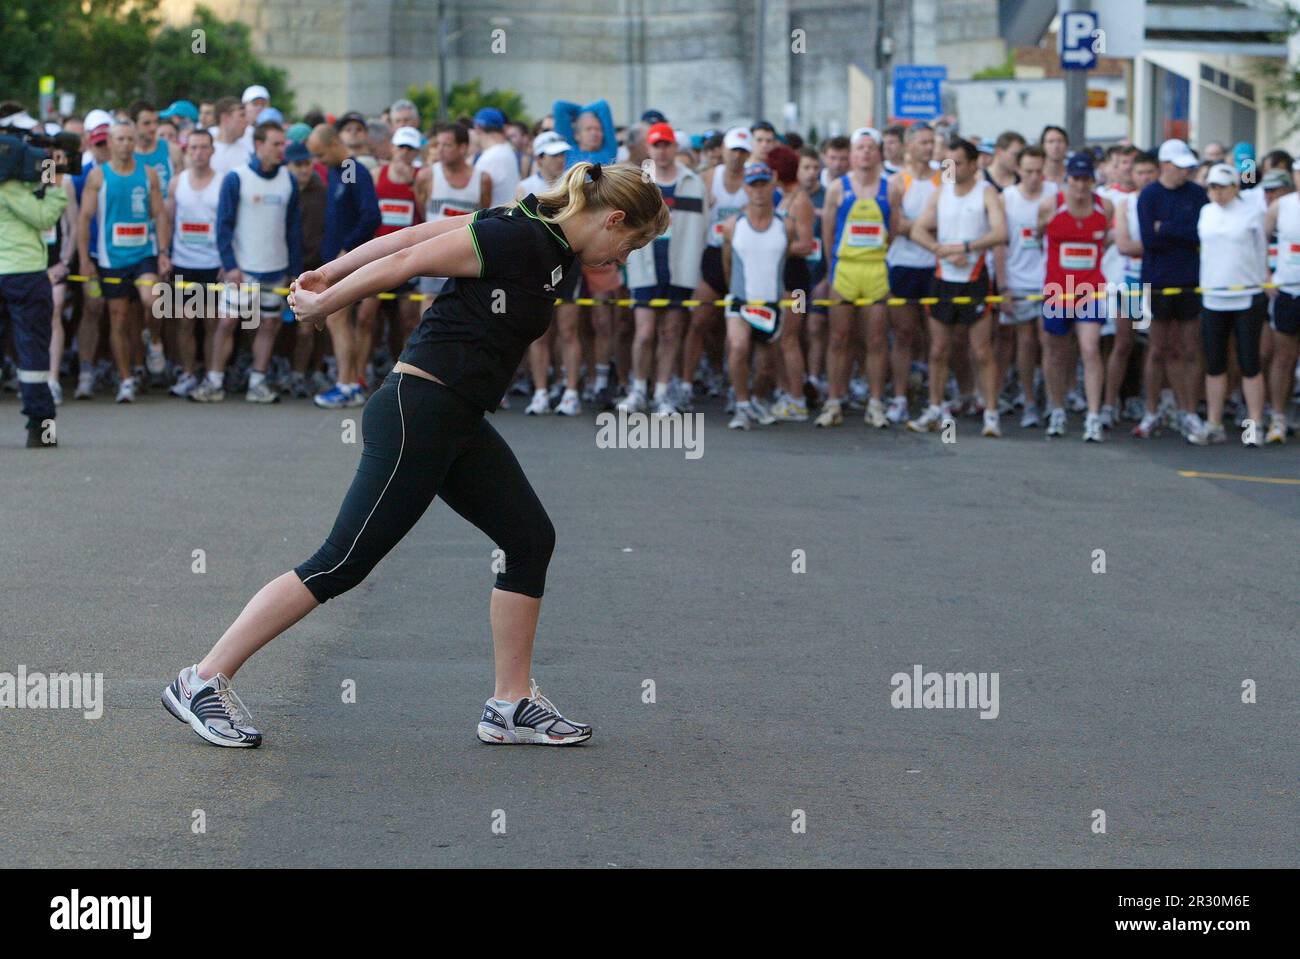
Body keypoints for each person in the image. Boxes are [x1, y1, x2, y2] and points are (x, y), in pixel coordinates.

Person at [161, 161, 668, 749]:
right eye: (628, 245)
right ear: (611, 218)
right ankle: (202, 679)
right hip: (419, 412)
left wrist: (325, 273)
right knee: (340, 562)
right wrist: (328, 297)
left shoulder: (544, 240)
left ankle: (511, 704)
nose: (620, 259)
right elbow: (407, 257)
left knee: (529, 538)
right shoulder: (517, 233)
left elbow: (414, 235)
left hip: (459, 418)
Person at [907, 137, 1008, 436]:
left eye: (957, 163)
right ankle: (935, 408)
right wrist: (940, 249)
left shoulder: (986, 192)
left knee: (981, 350)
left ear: (974, 164)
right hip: (943, 278)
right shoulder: (941, 192)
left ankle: (991, 412)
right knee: (938, 349)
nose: (950, 168)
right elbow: (917, 230)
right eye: (946, 163)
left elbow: (1001, 232)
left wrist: (966, 247)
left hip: (975, 277)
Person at [76, 120, 171, 404]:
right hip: (111, 257)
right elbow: (84, 218)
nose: (126, 145)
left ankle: (154, 342)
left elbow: (160, 214)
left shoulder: (148, 174)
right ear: (110, 142)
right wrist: (84, 260)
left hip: (143, 253)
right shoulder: (97, 176)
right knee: (117, 317)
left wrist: (163, 252)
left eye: (130, 139)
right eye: (120, 139)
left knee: (153, 300)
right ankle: (126, 379)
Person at [621, 122, 707, 416]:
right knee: (644, 332)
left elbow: (702, 228)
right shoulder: (638, 181)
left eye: (666, 144)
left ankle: (662, 391)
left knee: (671, 331)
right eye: (656, 145)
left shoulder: (692, 181)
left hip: (680, 265)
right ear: (648, 147)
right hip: (645, 261)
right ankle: (638, 389)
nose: (662, 150)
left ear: (675, 147)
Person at [0, 119, 69, 447]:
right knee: (32, 353)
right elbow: (43, 217)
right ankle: (42, 430)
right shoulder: (10, 189)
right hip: (24, 274)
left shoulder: (14, 186)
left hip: (11, 273)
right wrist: (56, 186)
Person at [1133, 138, 1208, 439]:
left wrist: (1167, 228)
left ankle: (1189, 411)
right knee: (1156, 349)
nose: (1185, 173)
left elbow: (1199, 234)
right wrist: (1179, 232)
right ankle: (1151, 411)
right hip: (1156, 280)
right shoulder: (1149, 195)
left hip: (1190, 279)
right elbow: (1149, 240)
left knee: (1189, 349)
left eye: (1188, 168)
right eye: (1180, 167)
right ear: (1165, 165)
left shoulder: (1198, 195)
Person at [818, 127, 892, 428]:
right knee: (838, 338)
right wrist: (830, 269)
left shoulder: (891, 188)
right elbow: (828, 233)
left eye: (870, 148)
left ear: (878, 153)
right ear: (852, 154)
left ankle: (875, 403)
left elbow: (895, 229)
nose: (865, 153)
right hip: (844, 269)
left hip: (875, 269)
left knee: (875, 339)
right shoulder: (837, 188)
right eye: (860, 148)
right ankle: (833, 400)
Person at [1190, 164, 1268, 446]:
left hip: (1247, 294)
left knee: (1249, 362)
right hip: (1213, 296)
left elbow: (1260, 250)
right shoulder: (1206, 213)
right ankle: (1214, 423)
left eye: (1223, 187)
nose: (1217, 193)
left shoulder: (1251, 211)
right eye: (1212, 187)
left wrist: (1262, 280)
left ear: (1236, 187)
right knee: (1215, 363)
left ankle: (1254, 425)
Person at [1038, 153, 1113, 442]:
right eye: (1076, 179)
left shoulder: (1104, 207)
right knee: (1056, 351)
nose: (1081, 186)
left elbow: (1105, 240)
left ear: (1093, 181)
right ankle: (1057, 408)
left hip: (1090, 288)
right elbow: (1037, 238)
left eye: (1086, 180)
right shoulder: (1051, 205)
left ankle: (1093, 415)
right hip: (1058, 289)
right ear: (1067, 179)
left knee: (1090, 348)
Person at [307, 123, 380, 408]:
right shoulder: (337, 172)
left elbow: (371, 215)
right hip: (336, 261)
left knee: (338, 319)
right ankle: (347, 382)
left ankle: (347, 385)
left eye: (321, 155)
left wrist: (347, 250)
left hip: (347, 260)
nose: (318, 162)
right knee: (340, 320)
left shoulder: (354, 171)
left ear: (336, 143)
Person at [722, 161, 794, 429]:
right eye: (754, 185)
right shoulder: (732, 225)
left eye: (764, 184)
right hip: (740, 301)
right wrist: (735, 291)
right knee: (739, 347)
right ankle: (741, 404)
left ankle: (757, 399)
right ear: (745, 188)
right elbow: (727, 262)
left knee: (765, 365)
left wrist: (792, 302)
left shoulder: (785, 226)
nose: (759, 191)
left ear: (772, 186)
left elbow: (786, 263)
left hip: (772, 304)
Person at [999, 145, 1057, 429]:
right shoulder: (1006, 198)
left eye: (1039, 171)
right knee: (1024, 342)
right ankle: (1029, 399)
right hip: (1018, 278)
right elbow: (999, 243)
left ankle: (1053, 398)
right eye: (1029, 171)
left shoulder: (1055, 194)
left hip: (1052, 279)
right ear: (1018, 170)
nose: (1034, 177)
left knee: (1051, 341)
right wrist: (1002, 286)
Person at [165, 128, 222, 398]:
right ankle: (188, 373)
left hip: (212, 263)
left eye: (204, 147)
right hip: (183, 262)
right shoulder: (177, 182)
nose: (199, 153)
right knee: (184, 321)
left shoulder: (223, 183)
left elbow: (228, 225)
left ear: (212, 151)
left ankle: (211, 376)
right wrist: (164, 253)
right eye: (194, 148)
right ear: (187, 152)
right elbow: (167, 220)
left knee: (211, 323)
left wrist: (226, 260)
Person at [1264, 160, 1300, 444]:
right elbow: (1260, 240)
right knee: (1283, 357)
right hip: (1287, 289)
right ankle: (1278, 416)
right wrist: (1266, 275)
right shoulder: (1282, 205)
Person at [472, 108, 520, 206]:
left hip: (493, 217)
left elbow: (475, 197)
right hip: (506, 216)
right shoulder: (507, 150)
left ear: (478, 127)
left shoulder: (489, 158)